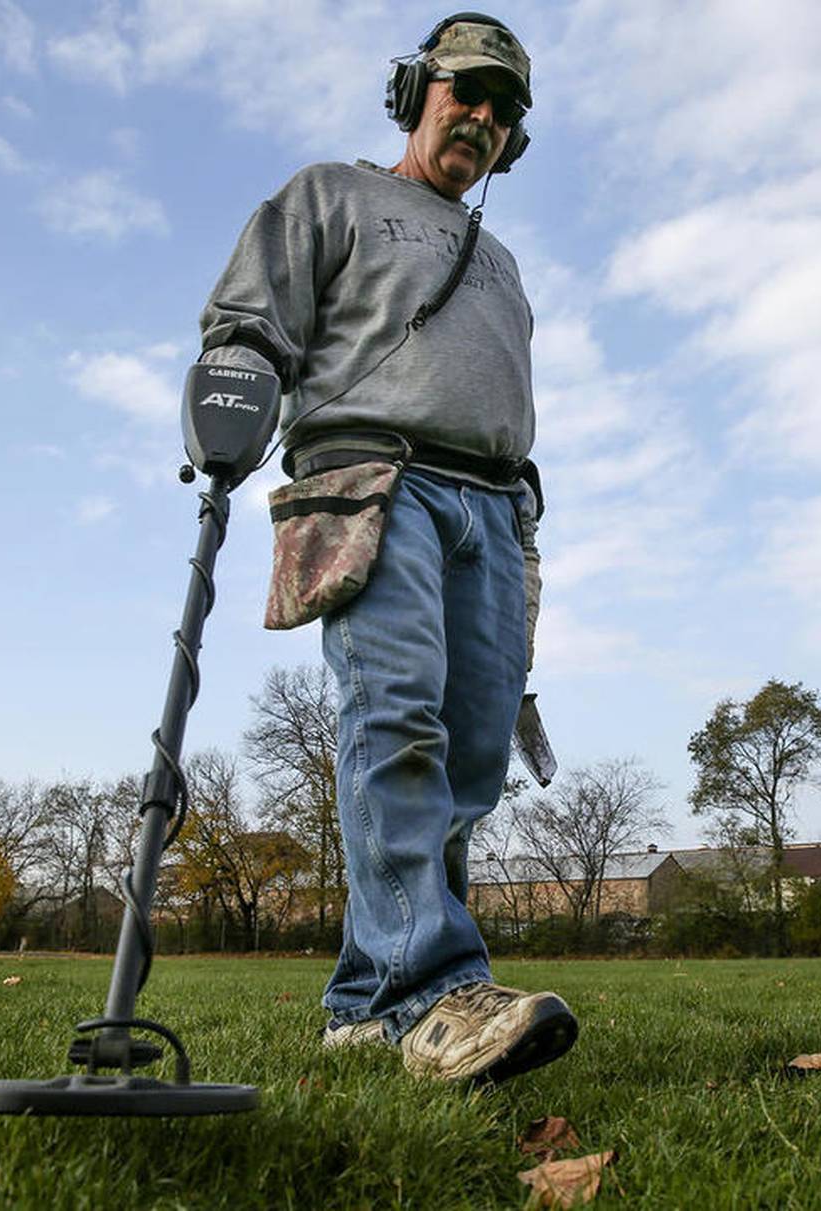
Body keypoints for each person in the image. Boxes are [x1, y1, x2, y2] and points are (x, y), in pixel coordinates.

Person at [196, 12, 576, 1084]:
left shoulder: (496, 260)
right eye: (466, 91)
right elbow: (244, 321)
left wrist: (520, 533)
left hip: (496, 509)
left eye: (505, 111)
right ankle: (432, 990)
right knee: (394, 713)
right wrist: (230, 403)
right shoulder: (330, 194)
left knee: (466, 758)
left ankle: (364, 1004)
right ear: (415, 91)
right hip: (374, 483)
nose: (483, 118)